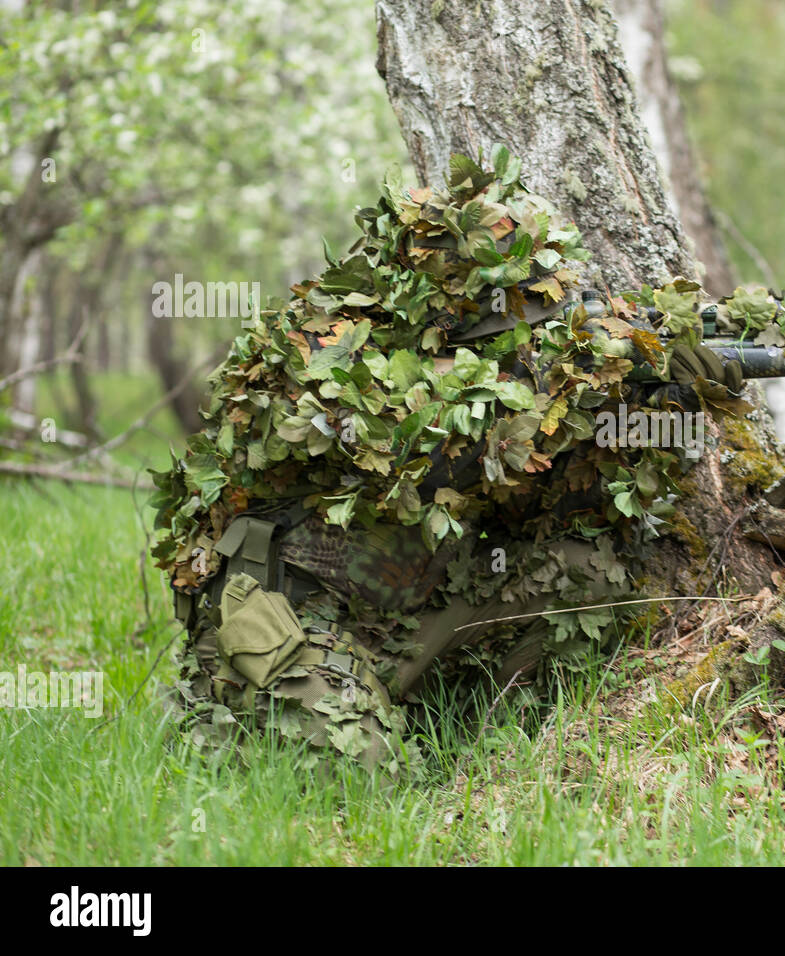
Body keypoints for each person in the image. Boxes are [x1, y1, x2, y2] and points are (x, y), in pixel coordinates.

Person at [152, 147, 743, 769]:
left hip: (410, 605)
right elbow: (397, 454)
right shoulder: (320, 347)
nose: (525, 342)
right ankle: (245, 712)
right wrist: (548, 389)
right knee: (359, 772)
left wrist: (657, 406)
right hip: (291, 608)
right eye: (508, 327)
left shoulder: (509, 375)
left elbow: (555, 506)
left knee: (587, 574)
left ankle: (474, 739)